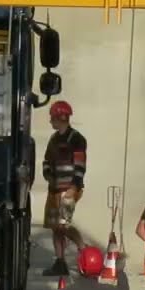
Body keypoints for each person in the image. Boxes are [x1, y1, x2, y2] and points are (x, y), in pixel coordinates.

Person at [42, 99, 87, 276]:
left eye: (52, 117)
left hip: (68, 189)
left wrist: (74, 187)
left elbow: (80, 166)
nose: (50, 121)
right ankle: (60, 263)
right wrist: (48, 175)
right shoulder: (54, 139)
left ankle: (82, 248)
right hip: (54, 189)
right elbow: (47, 161)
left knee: (63, 224)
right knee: (55, 226)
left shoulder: (76, 139)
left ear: (60, 117)